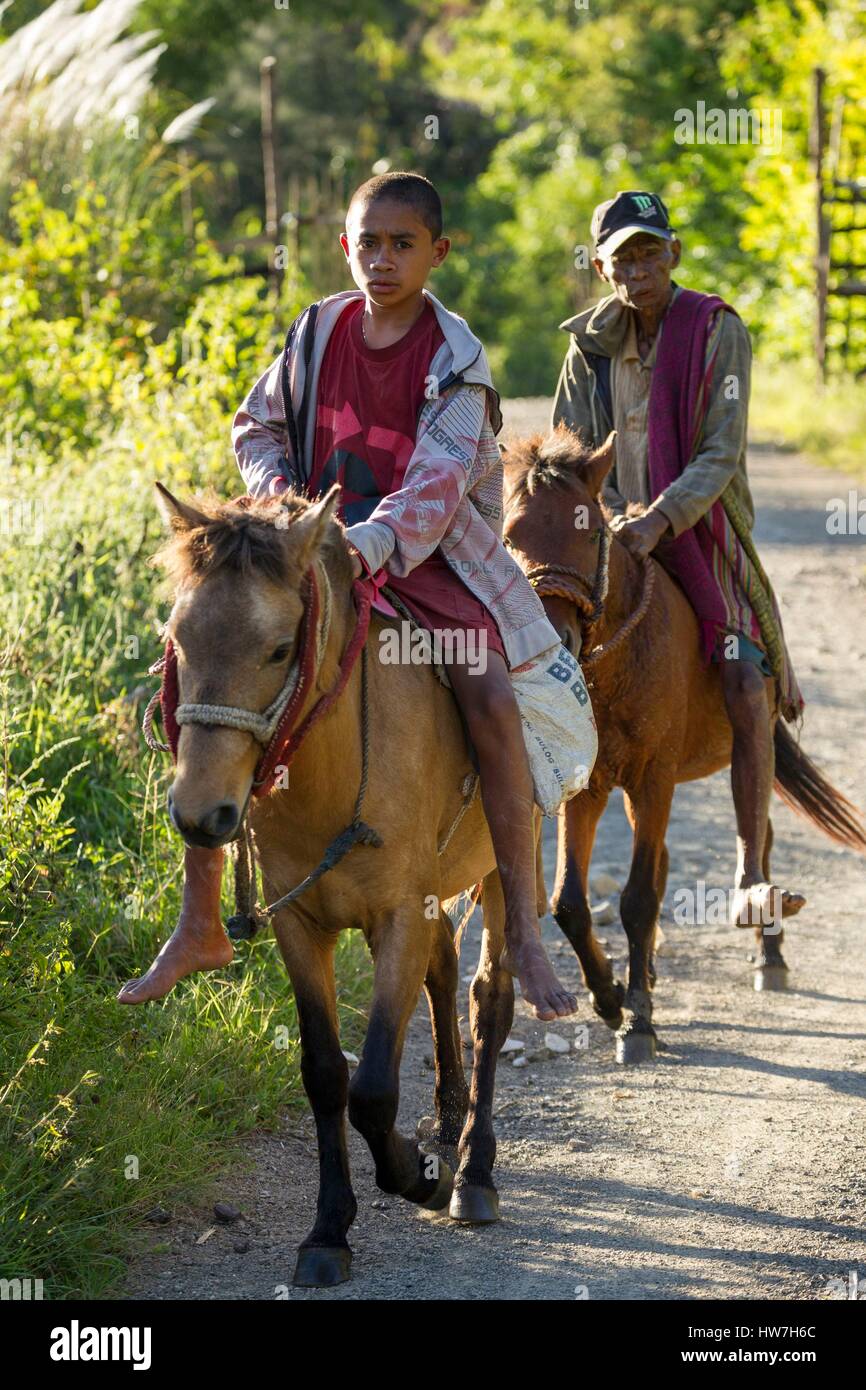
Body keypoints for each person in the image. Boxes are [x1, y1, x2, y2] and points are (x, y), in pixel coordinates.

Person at [119, 171, 577, 1020]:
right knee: (200, 663)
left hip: (423, 558)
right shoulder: (317, 330)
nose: (382, 259)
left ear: (437, 253)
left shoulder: (456, 357)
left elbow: (438, 486)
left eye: (403, 244)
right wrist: (284, 500)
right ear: (345, 247)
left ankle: (521, 926)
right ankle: (197, 919)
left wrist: (358, 543)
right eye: (367, 242)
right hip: (304, 548)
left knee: (484, 685)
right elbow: (255, 424)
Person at [552, 189, 806, 928]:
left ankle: (750, 869)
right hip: (615, 537)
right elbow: (572, 455)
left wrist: (658, 519)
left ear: (675, 254)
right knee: (562, 653)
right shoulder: (588, 347)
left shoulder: (716, 330)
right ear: (601, 269)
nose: (638, 271)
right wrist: (604, 525)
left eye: (649, 253)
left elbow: (721, 454)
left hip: (702, 531)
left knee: (741, 670)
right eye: (622, 259)